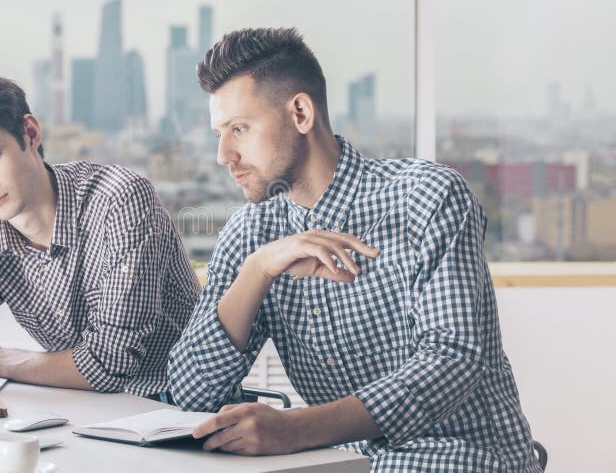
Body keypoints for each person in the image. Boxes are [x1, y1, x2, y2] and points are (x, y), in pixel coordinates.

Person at [167, 28, 541, 471]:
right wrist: (258, 270)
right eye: (219, 134)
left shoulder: (428, 197)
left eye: (239, 129)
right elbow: (190, 395)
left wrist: (295, 429)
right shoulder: (251, 234)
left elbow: (451, 360)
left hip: (464, 458)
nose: (223, 154)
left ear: (301, 113)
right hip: (344, 463)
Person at [0, 72, 200, 400]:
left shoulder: (119, 199)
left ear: (30, 133)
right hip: (89, 413)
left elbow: (109, 365)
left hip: (184, 409)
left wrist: (2, 361)